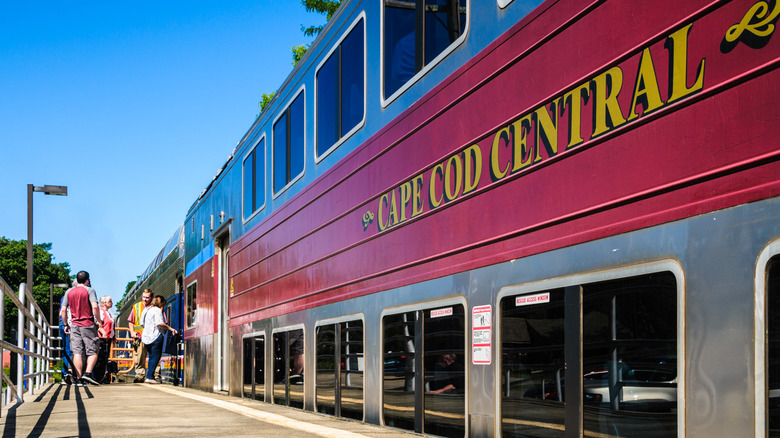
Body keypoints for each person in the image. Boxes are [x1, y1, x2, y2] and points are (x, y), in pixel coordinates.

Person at [60, 271, 102, 386]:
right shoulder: (90, 290)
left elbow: (63, 310)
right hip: (88, 324)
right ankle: (87, 374)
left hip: (74, 325)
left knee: (77, 352)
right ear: (87, 280)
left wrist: (65, 324)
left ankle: (79, 379)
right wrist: (99, 321)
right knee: (93, 351)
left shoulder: (68, 292)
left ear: (77, 280)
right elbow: (95, 306)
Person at [140, 295, 177, 384]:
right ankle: (149, 377)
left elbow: (141, 323)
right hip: (155, 336)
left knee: (151, 357)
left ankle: (149, 376)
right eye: (162, 304)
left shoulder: (146, 310)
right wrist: (170, 328)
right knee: (155, 357)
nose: (162, 307)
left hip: (146, 337)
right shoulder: (157, 310)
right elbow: (160, 324)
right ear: (161, 302)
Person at [127, 289, 153, 382]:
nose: (145, 299)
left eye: (147, 297)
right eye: (143, 297)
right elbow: (131, 321)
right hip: (140, 336)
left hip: (153, 336)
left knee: (154, 356)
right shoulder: (136, 307)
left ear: (151, 298)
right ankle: (140, 376)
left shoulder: (155, 307)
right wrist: (132, 332)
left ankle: (155, 376)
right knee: (140, 357)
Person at [58, 294, 74, 386]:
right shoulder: (72, 296)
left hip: (62, 323)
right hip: (68, 324)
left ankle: (64, 374)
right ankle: (68, 374)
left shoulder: (63, 297)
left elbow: (61, 312)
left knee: (65, 350)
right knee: (70, 350)